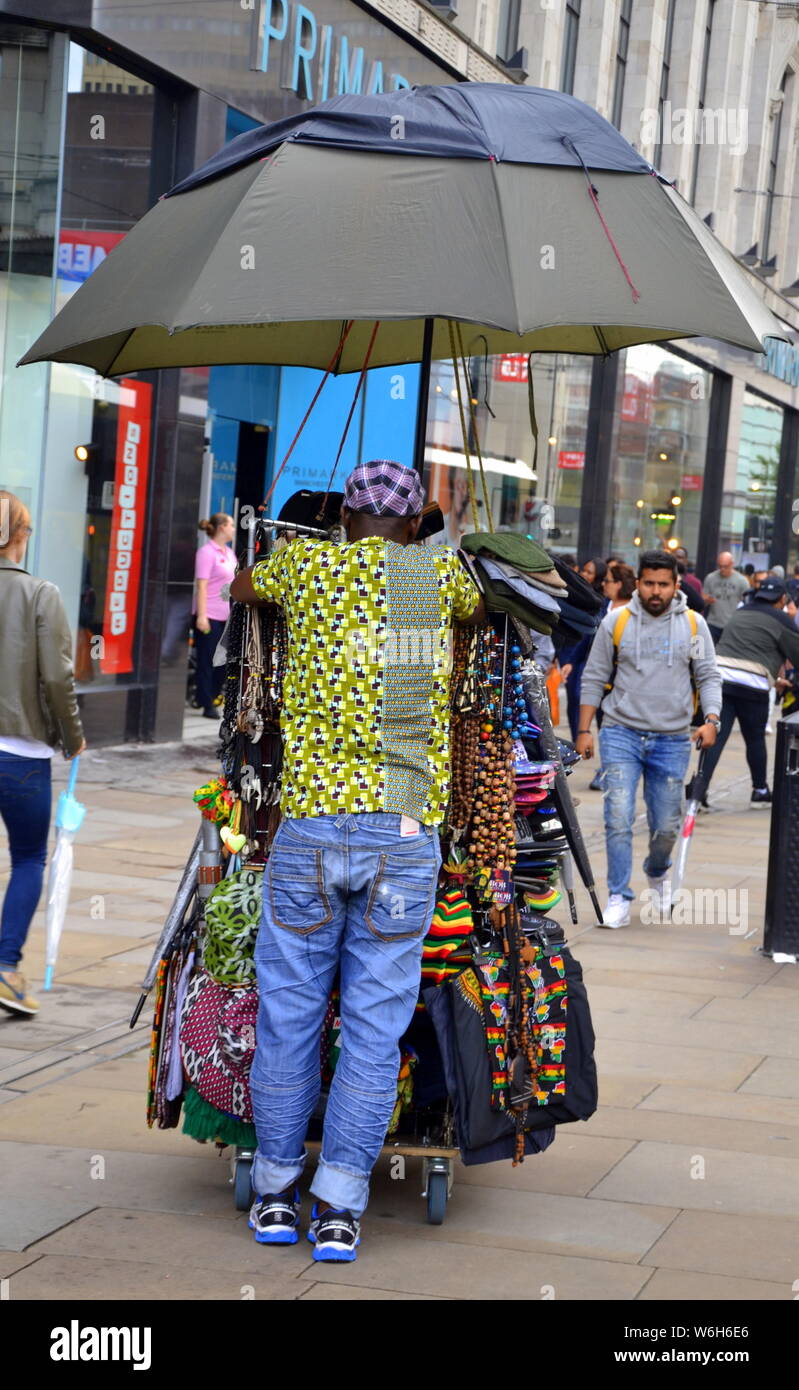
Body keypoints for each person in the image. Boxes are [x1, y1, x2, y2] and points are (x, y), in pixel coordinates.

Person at [230, 459, 485, 1262]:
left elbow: (241, 588)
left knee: (290, 1016)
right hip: (401, 833)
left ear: (344, 517)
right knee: (374, 1029)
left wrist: (288, 540)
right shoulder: (433, 578)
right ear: (414, 523)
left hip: (308, 826)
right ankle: (339, 1205)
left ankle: (274, 1191)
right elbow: (490, 600)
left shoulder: (304, 567)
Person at [577, 550, 721, 928]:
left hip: (672, 739)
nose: (656, 591)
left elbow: (708, 676)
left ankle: (657, 871)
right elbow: (593, 677)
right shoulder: (616, 622)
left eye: (664, 584)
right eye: (649, 583)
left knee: (665, 826)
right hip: (620, 732)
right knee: (618, 816)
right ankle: (618, 896)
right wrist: (583, 730)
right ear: (637, 583)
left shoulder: (693, 625)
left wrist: (711, 719)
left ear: (677, 585)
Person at [0, 492, 86, 1016]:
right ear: (21, 535)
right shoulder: (40, 594)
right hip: (21, 753)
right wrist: (71, 736)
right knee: (29, 857)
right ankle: (6, 968)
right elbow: (56, 677)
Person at [700, 578, 799, 805]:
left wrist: (775, 679)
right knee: (754, 738)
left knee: (716, 735)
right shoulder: (782, 619)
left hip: (721, 679)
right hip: (752, 687)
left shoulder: (740, 612)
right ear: (782, 599)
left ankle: (700, 790)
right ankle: (760, 790)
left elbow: (744, 651)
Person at [194, 514, 236, 719]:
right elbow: (201, 586)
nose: (234, 529)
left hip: (225, 616)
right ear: (221, 528)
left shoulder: (229, 553)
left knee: (223, 661)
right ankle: (206, 702)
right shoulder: (206, 553)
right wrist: (201, 616)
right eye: (231, 525)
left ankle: (212, 695)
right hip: (209, 615)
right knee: (207, 660)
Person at [702, 551, 749, 642]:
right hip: (713, 622)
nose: (722, 569)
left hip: (731, 624)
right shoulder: (710, 578)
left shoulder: (742, 581)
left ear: (732, 564)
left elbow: (747, 604)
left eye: (725, 566)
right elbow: (703, 598)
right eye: (720, 566)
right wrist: (706, 600)